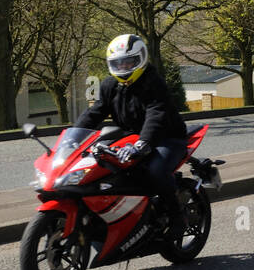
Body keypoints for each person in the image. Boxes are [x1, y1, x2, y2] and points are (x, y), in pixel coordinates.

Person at [75, 34, 189, 240]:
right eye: (118, 63)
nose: (124, 66)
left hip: (167, 137)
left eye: (129, 61)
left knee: (155, 170)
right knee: (101, 166)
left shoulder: (153, 82)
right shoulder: (110, 85)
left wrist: (143, 143)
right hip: (131, 138)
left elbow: (156, 114)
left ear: (141, 59)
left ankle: (177, 216)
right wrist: (73, 137)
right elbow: (95, 113)